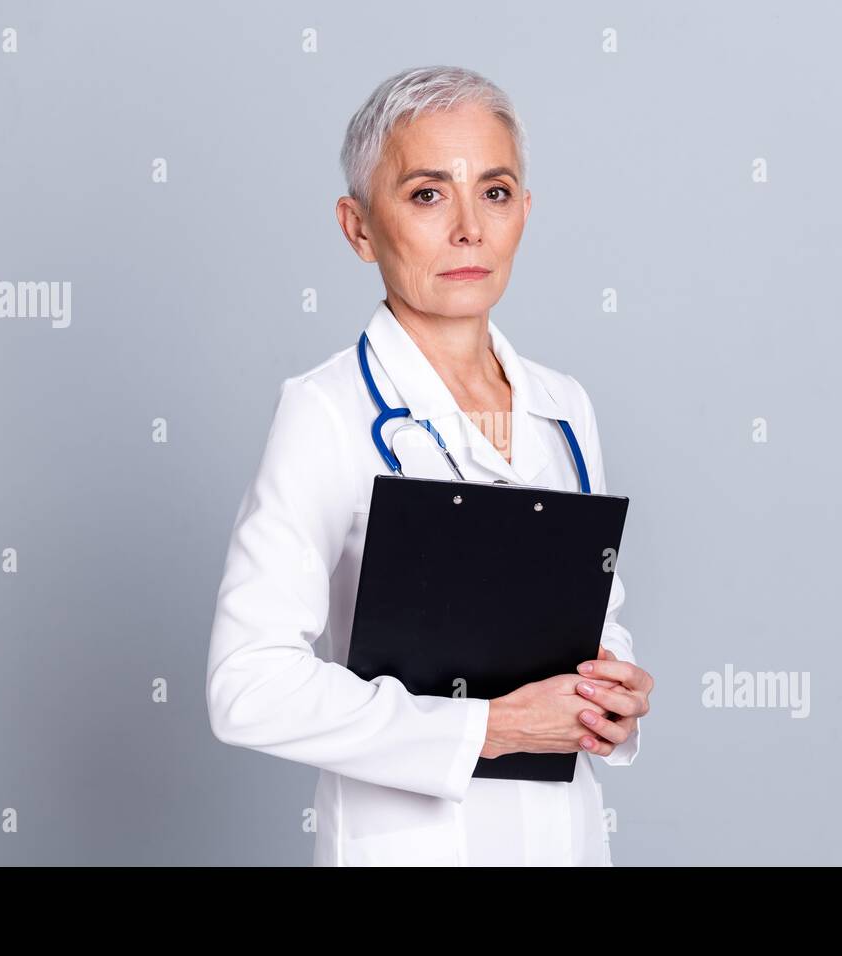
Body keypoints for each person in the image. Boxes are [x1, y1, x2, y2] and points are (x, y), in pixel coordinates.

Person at [205, 65, 654, 866]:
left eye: (495, 191)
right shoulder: (327, 411)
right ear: (359, 227)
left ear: (524, 212)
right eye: (426, 194)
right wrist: (489, 728)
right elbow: (249, 687)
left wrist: (610, 693)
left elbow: (592, 619)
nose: (469, 229)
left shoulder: (565, 406)